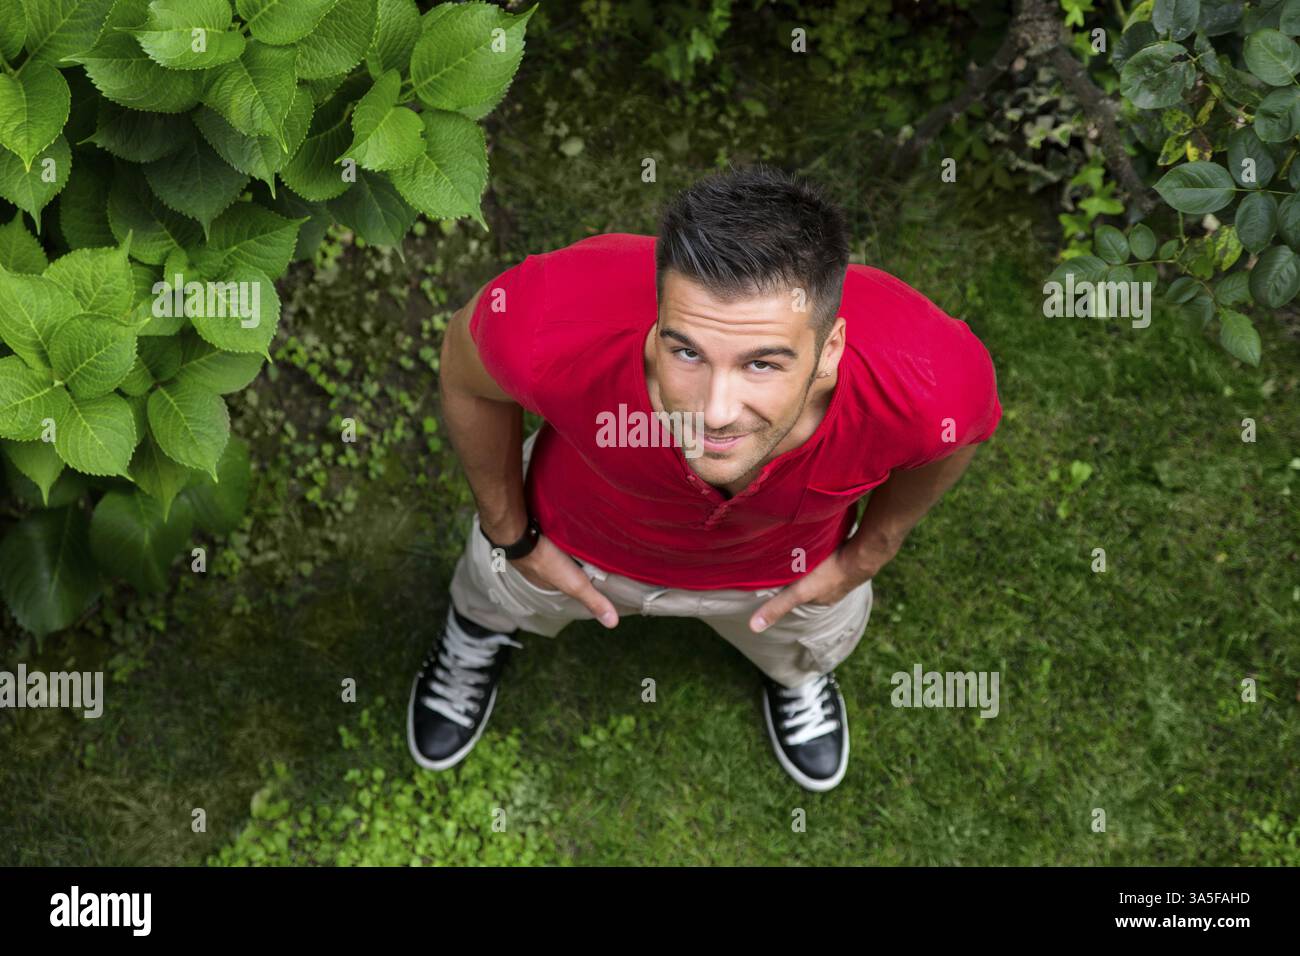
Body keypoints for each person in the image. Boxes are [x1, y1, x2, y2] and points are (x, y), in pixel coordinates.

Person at [408, 165, 1002, 791]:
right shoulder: (554, 315)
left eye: (762, 363)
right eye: (686, 351)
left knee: (802, 648)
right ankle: (475, 637)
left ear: (829, 351)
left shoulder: (929, 375)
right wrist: (512, 534)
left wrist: (867, 555)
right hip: (569, 540)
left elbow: (956, 437)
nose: (714, 413)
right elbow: (466, 367)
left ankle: (796, 675)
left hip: (787, 575)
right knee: (494, 595)